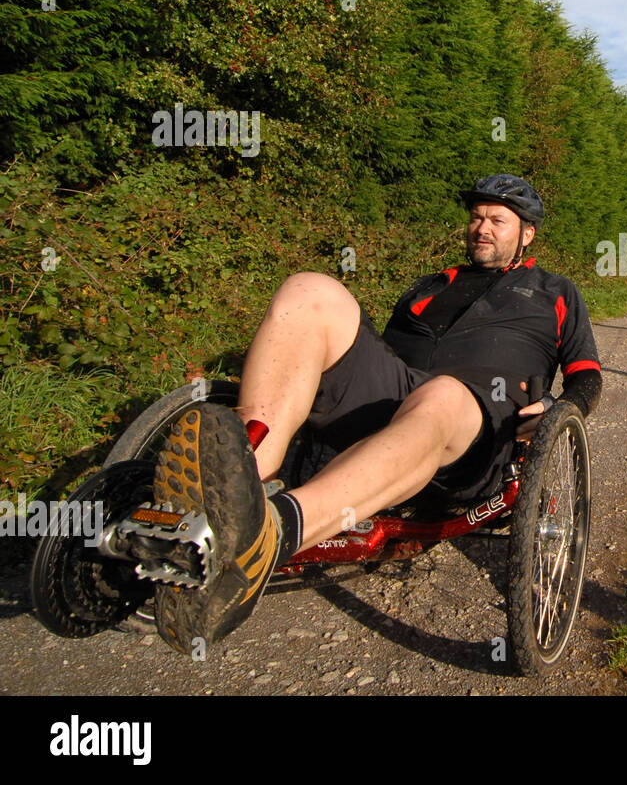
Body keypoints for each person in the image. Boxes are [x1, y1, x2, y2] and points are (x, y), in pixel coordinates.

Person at [149, 175, 602, 653]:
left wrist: (557, 408)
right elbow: (380, 354)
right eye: (475, 217)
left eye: (497, 220)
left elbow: (587, 377)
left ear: (526, 233)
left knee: (442, 395)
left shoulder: (556, 291)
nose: (481, 228)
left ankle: (273, 531)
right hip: (393, 400)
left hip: (478, 426)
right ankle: (241, 486)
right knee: (311, 289)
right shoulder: (430, 285)